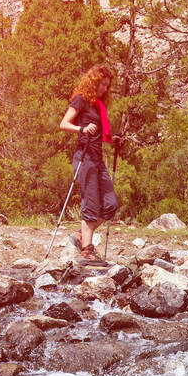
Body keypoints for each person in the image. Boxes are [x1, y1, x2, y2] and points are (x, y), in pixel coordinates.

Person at [59, 64, 118, 267]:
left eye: (107, 86)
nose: (104, 89)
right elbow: (64, 123)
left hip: (97, 158)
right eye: (102, 84)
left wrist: (113, 138)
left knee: (111, 204)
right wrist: (81, 128)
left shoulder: (99, 105)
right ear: (94, 82)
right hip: (84, 157)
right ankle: (87, 251)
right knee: (91, 203)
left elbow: (100, 131)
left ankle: (81, 235)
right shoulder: (81, 99)